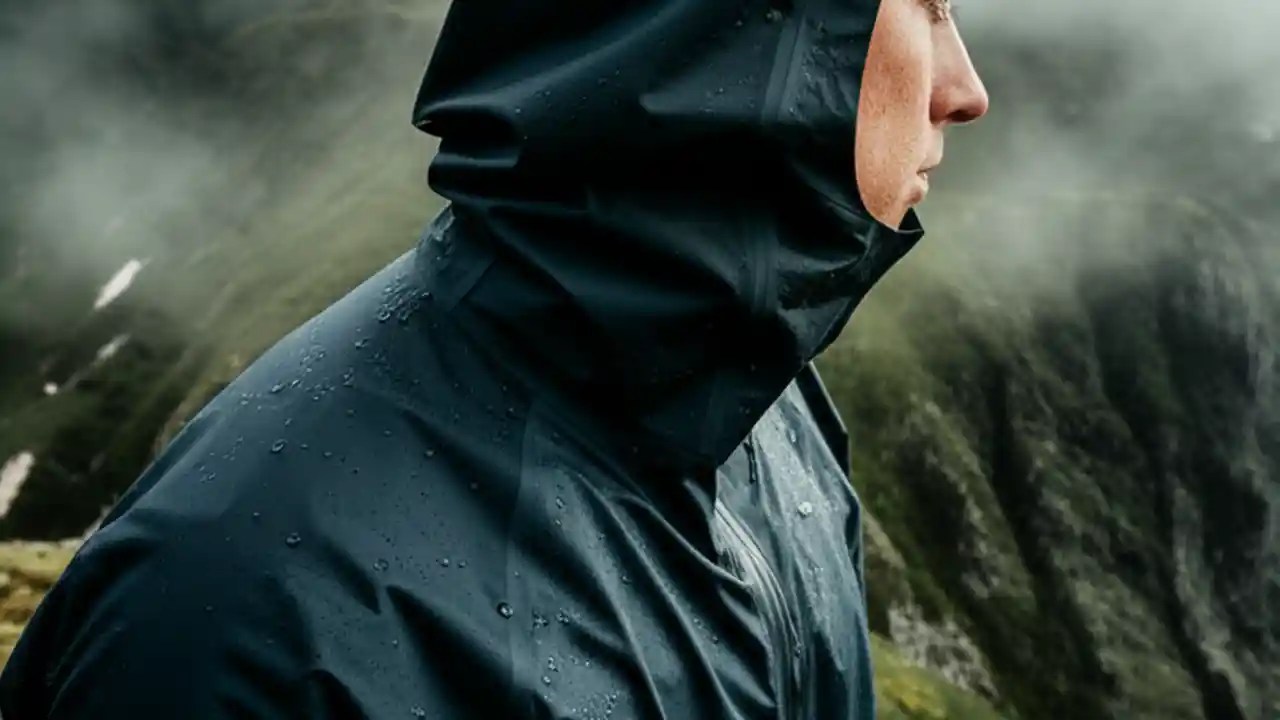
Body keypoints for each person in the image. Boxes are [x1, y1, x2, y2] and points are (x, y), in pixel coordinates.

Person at [0, 0, 987, 716]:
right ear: (744, 38)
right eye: (925, 7)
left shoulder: (770, 406)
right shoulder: (247, 628)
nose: (965, 90)